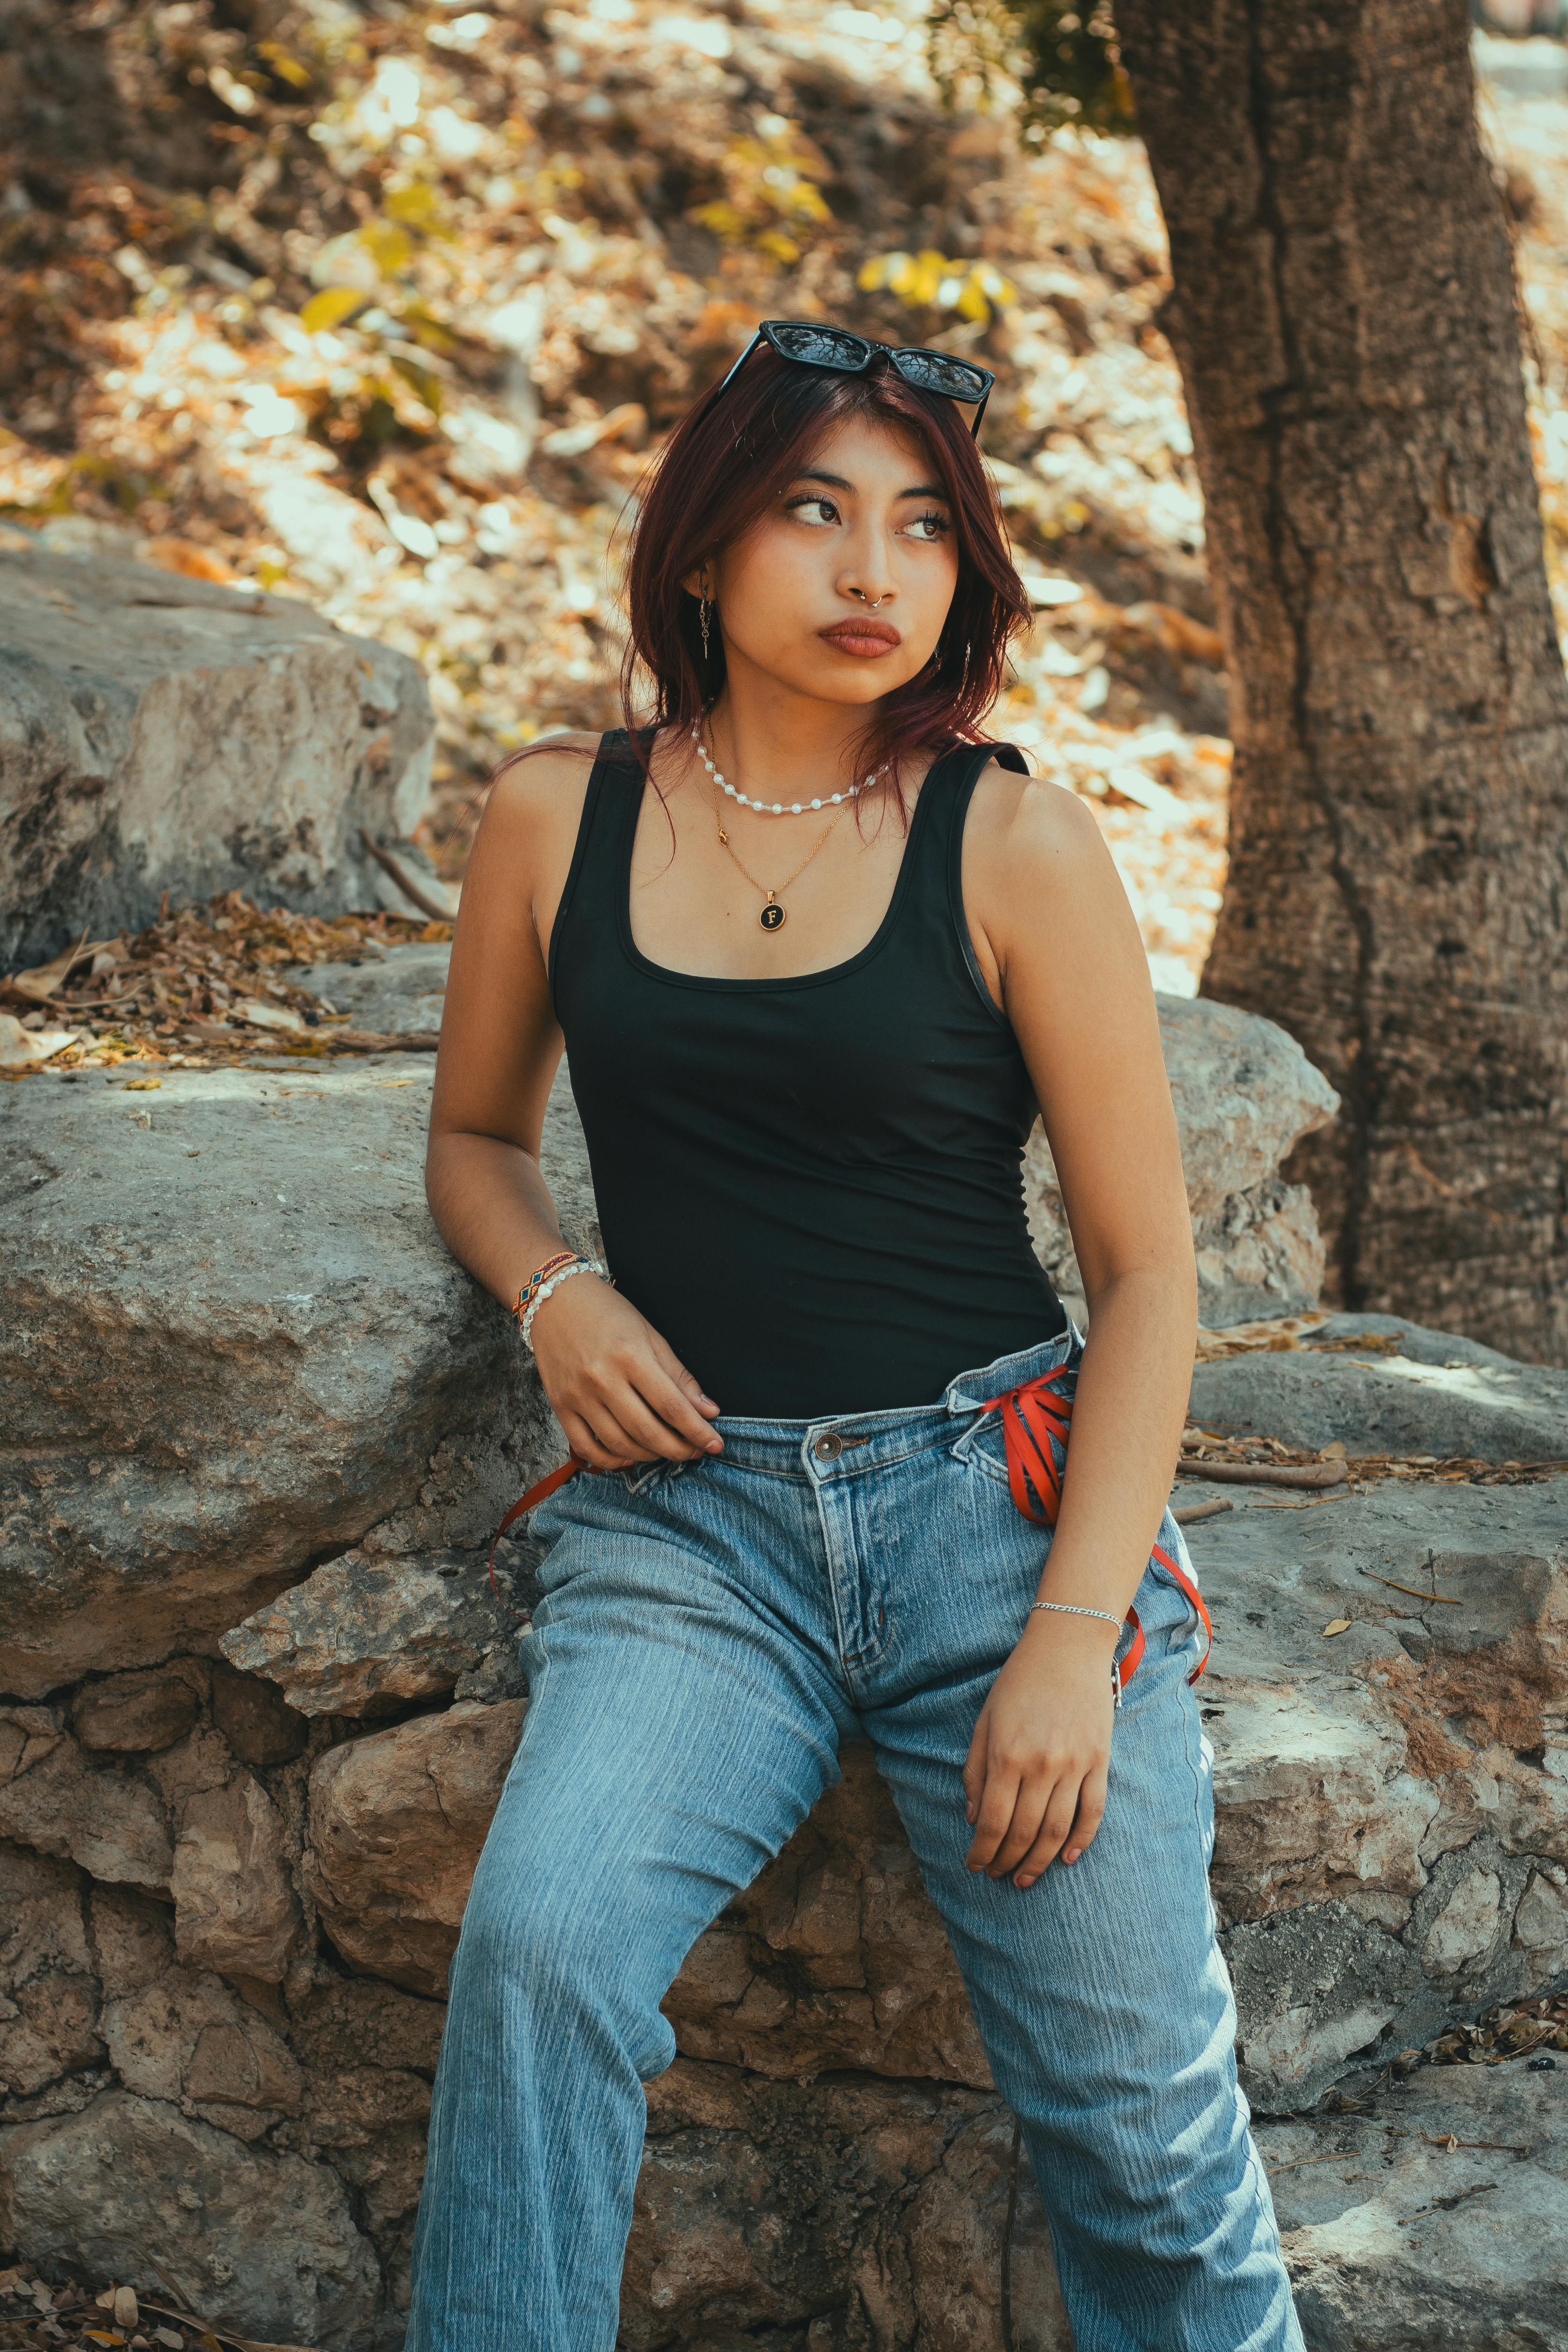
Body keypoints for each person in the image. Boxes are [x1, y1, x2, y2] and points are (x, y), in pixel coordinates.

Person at [407, 321, 1303, 2351]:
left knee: (1146, 2141)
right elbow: (472, 1139)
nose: (871, 571)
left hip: (995, 1522)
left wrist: (1075, 1643)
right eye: (815, 511)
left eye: (921, 527)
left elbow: (1151, 1280)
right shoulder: (561, 811)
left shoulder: (1016, 841)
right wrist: (559, 1292)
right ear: (706, 545)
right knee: (541, 1953)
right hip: (686, 1526)